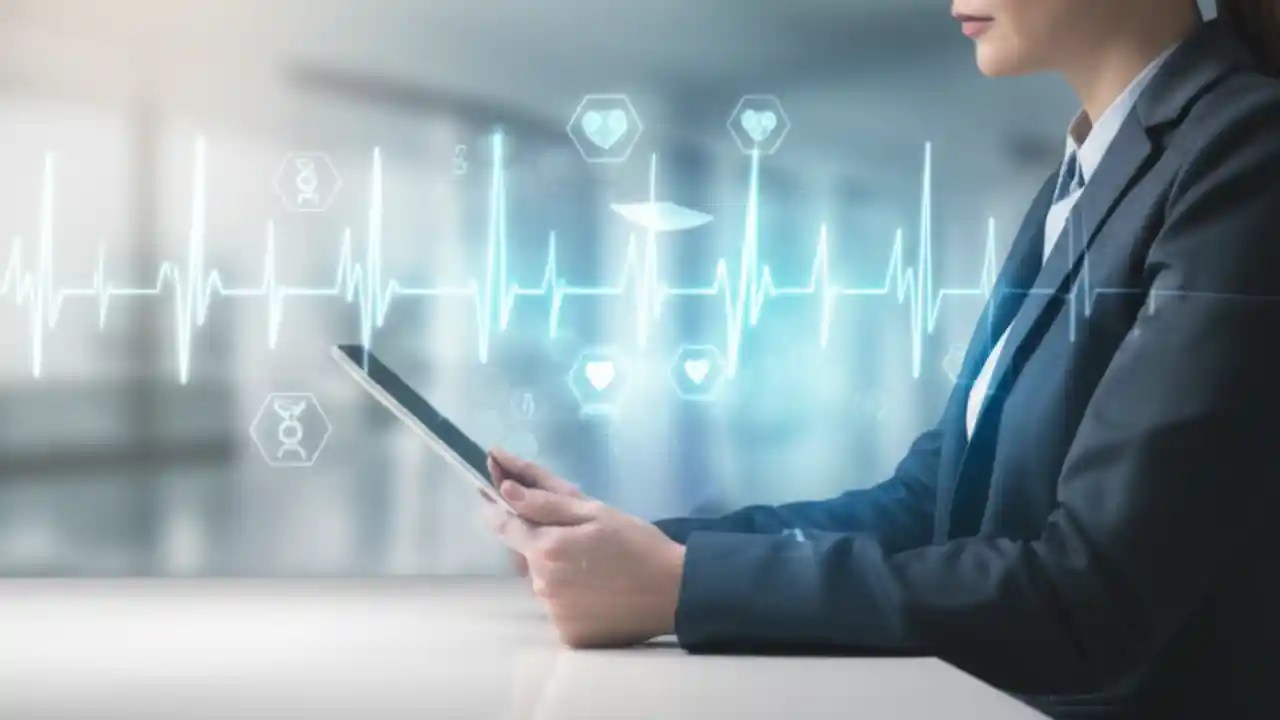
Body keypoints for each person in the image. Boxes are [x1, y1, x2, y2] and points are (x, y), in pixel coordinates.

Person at [482, 1, 1280, 716]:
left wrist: (682, 588)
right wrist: (642, 551)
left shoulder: (1246, 152)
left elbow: (1094, 593)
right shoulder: (1089, 173)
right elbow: (929, 506)